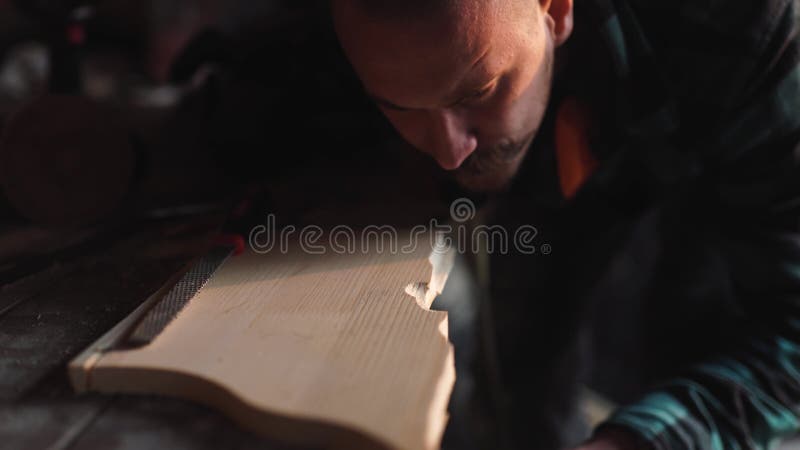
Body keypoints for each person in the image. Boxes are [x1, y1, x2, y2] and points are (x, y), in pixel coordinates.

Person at [328, 0, 800, 449]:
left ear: (555, 10)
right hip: (576, 124)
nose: (451, 151)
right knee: (523, 374)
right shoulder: (297, 25)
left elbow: (790, 336)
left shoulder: (750, 24)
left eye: (479, 91)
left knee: (693, 325)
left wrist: (635, 442)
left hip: (715, 121)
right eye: (401, 107)